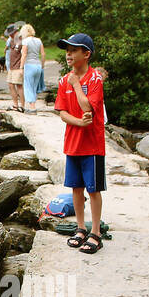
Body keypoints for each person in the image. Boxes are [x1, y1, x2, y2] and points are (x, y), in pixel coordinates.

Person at [53, 33, 106, 254]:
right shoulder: (63, 81)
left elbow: (88, 108)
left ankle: (96, 232)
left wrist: (75, 84)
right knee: (76, 188)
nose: (68, 54)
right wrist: (78, 123)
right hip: (72, 144)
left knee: (93, 190)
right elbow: (62, 112)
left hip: (92, 146)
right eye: (67, 50)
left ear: (86, 54)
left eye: (74, 50)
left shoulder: (94, 80)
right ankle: (80, 227)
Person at [20, 24, 45, 110]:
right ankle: (33, 105)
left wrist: (21, 67)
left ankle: (32, 107)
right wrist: (42, 65)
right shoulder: (39, 40)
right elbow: (43, 54)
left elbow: (24, 55)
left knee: (28, 86)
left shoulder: (25, 41)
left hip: (29, 65)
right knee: (34, 86)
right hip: (38, 65)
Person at [4, 24, 25, 110]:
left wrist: (21, 67)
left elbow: (24, 54)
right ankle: (15, 104)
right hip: (11, 66)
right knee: (10, 85)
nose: (10, 35)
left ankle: (22, 105)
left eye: (11, 33)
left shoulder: (21, 40)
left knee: (19, 85)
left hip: (18, 66)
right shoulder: (11, 41)